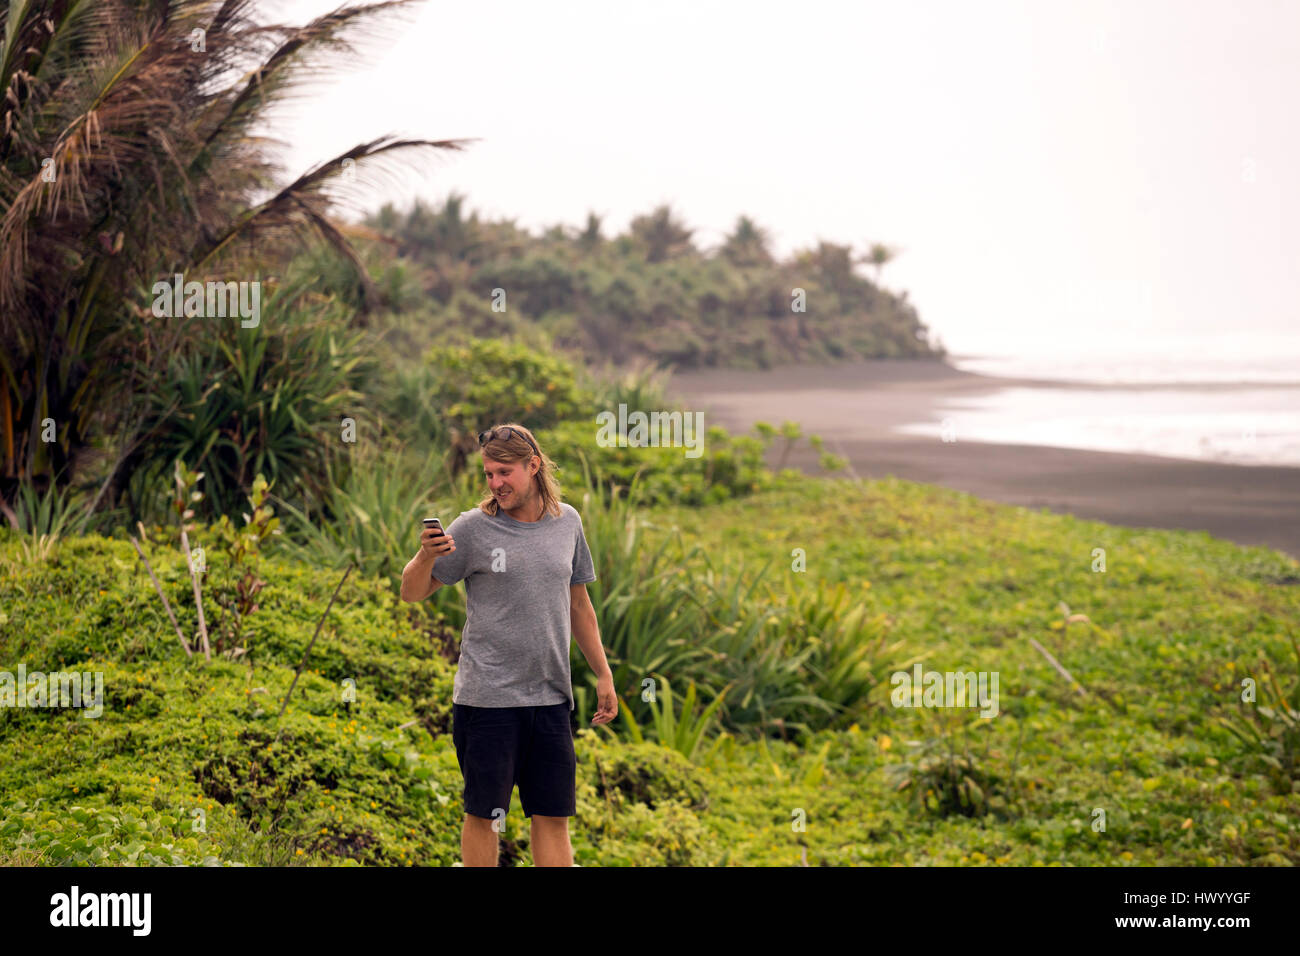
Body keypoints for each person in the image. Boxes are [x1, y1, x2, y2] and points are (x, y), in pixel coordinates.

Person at [400, 423, 617, 866]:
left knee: (552, 818)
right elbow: (411, 592)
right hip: (488, 701)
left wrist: (604, 674)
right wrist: (425, 556)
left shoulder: (567, 522)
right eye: (488, 474)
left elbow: (580, 604)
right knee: (485, 816)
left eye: (504, 472)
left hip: (551, 699)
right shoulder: (474, 529)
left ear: (533, 466)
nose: (496, 483)